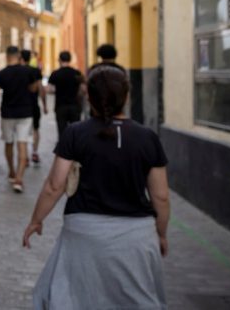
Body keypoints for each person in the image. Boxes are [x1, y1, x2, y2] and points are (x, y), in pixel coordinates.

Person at [23, 66, 170, 309]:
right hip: (136, 235)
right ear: (127, 97)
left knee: (75, 298)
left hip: (84, 231)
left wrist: (37, 220)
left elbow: (54, 185)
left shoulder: (75, 133)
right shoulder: (147, 138)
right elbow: (161, 197)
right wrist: (161, 233)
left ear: (88, 96)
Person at [0, 46, 41, 193]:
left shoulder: (1, 74)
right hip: (25, 113)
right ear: (19, 56)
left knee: (9, 143)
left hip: (7, 114)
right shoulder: (29, 71)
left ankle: (11, 172)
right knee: (22, 145)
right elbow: (34, 88)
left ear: (6, 56)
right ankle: (19, 179)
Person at [48, 51, 85, 138]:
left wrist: (57, 90)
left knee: (62, 131)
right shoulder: (77, 73)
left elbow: (49, 89)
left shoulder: (55, 73)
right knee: (76, 131)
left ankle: (64, 149)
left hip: (60, 106)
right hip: (74, 105)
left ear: (59, 60)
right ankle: (75, 149)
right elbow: (83, 89)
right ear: (70, 60)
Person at [21, 49, 47, 164]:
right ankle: (35, 153)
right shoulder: (36, 71)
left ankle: (25, 156)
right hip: (34, 105)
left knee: (23, 132)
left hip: (22, 107)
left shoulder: (18, 71)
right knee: (36, 129)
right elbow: (41, 88)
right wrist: (44, 105)